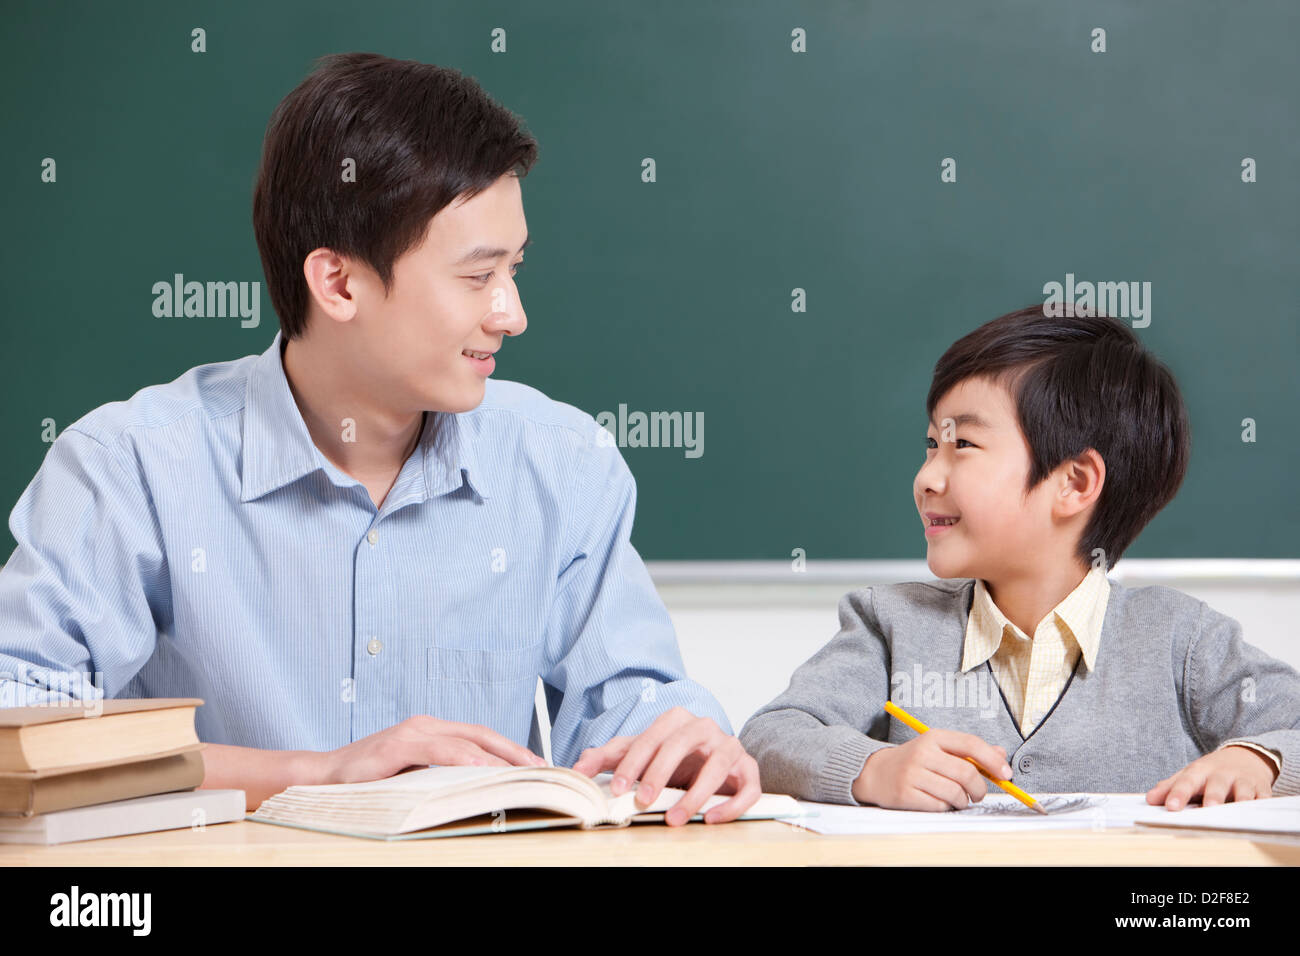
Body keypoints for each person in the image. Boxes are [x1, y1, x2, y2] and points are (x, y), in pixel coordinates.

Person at [0, 52, 758, 822]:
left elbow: (632, 709)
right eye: (476, 276)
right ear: (338, 284)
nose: (511, 314)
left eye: (515, 269)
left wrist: (687, 747)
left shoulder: (561, 464)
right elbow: (16, 730)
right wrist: (319, 774)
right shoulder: (130, 467)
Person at [740, 305, 1299, 810]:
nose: (927, 477)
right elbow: (772, 738)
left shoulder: (1183, 641)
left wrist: (1260, 758)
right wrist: (871, 767)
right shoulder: (889, 626)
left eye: (963, 446)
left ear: (1074, 483)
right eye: (932, 444)